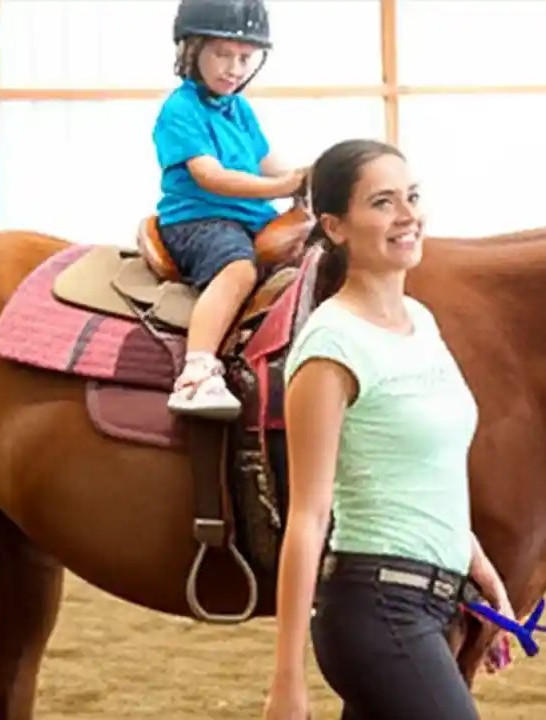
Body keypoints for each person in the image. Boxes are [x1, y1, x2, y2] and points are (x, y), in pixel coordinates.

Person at [264, 138, 516, 720]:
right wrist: (287, 682)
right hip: (376, 611)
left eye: (413, 196)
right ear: (335, 225)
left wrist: (482, 576)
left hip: (434, 602)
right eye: (383, 202)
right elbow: (308, 515)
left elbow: (430, 476)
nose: (408, 216)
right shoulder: (332, 346)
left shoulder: (421, 323)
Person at [152, 0, 306, 420]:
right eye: (222, 54)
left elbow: (269, 159)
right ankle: (197, 371)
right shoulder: (180, 109)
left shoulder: (239, 108)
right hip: (198, 219)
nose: (234, 68)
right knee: (238, 269)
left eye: (244, 57)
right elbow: (211, 177)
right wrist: (282, 186)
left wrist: (311, 176)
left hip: (251, 217)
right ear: (191, 51)